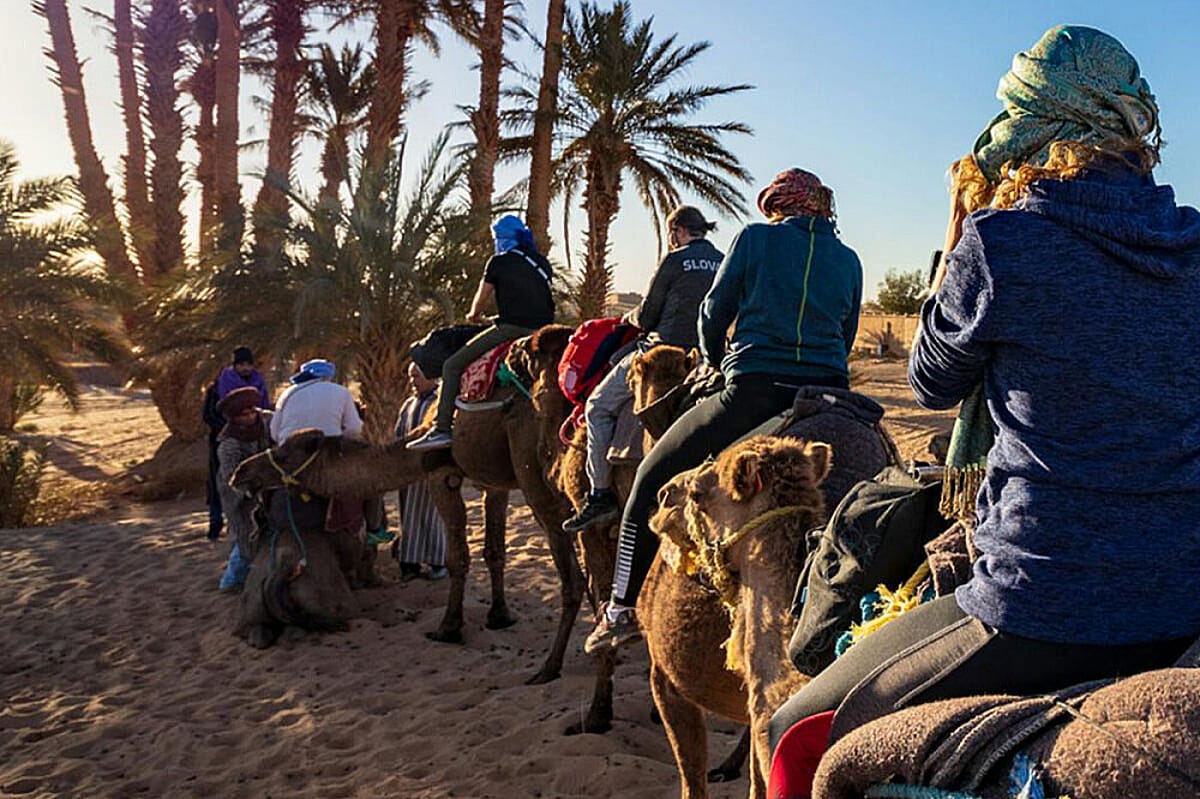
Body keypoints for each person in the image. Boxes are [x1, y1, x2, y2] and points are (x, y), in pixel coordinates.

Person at [767, 25, 1200, 763]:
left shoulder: (1003, 241)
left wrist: (960, 228)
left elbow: (930, 382)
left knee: (794, 735)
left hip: (1041, 602)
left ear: (1030, 129)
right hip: (1182, 599)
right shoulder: (1191, 243)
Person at [584, 168, 863, 652]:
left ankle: (620, 609)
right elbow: (848, 332)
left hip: (755, 391)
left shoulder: (755, 240)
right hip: (830, 394)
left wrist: (713, 360)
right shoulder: (850, 259)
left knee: (650, 479)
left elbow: (712, 313)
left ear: (777, 207)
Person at [563, 206, 724, 532]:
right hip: (708, 357)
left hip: (661, 351)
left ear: (677, 231)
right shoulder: (724, 260)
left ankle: (599, 495)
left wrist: (627, 318)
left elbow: (649, 315)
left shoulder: (674, 260)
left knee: (597, 406)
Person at [408, 215, 554, 450]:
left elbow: (480, 299)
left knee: (452, 366)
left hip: (512, 328)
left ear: (502, 239)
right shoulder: (541, 263)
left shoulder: (499, 262)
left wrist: (474, 316)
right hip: (545, 329)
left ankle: (441, 428)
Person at [393, 362, 449, 581]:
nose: (413, 381)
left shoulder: (440, 403)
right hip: (409, 471)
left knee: (433, 516)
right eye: (410, 377)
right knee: (408, 517)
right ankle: (409, 565)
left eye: (417, 376)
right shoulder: (409, 404)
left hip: (433, 468)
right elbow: (399, 435)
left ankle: (438, 563)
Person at [215, 386, 272, 591]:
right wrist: (252, 491)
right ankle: (232, 581)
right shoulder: (229, 443)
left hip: (266, 486)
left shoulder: (267, 421)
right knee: (244, 534)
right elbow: (232, 475)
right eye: (243, 415)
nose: (249, 417)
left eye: (251, 412)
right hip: (239, 493)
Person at [270, 358, 363, 444]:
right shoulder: (341, 392)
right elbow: (354, 428)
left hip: (290, 451)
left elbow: (275, 431)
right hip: (327, 451)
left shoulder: (288, 393)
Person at [202, 377, 226, 540]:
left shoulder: (255, 383)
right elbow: (208, 415)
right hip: (219, 441)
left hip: (250, 440)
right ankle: (215, 523)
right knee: (217, 480)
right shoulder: (216, 389)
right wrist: (227, 428)